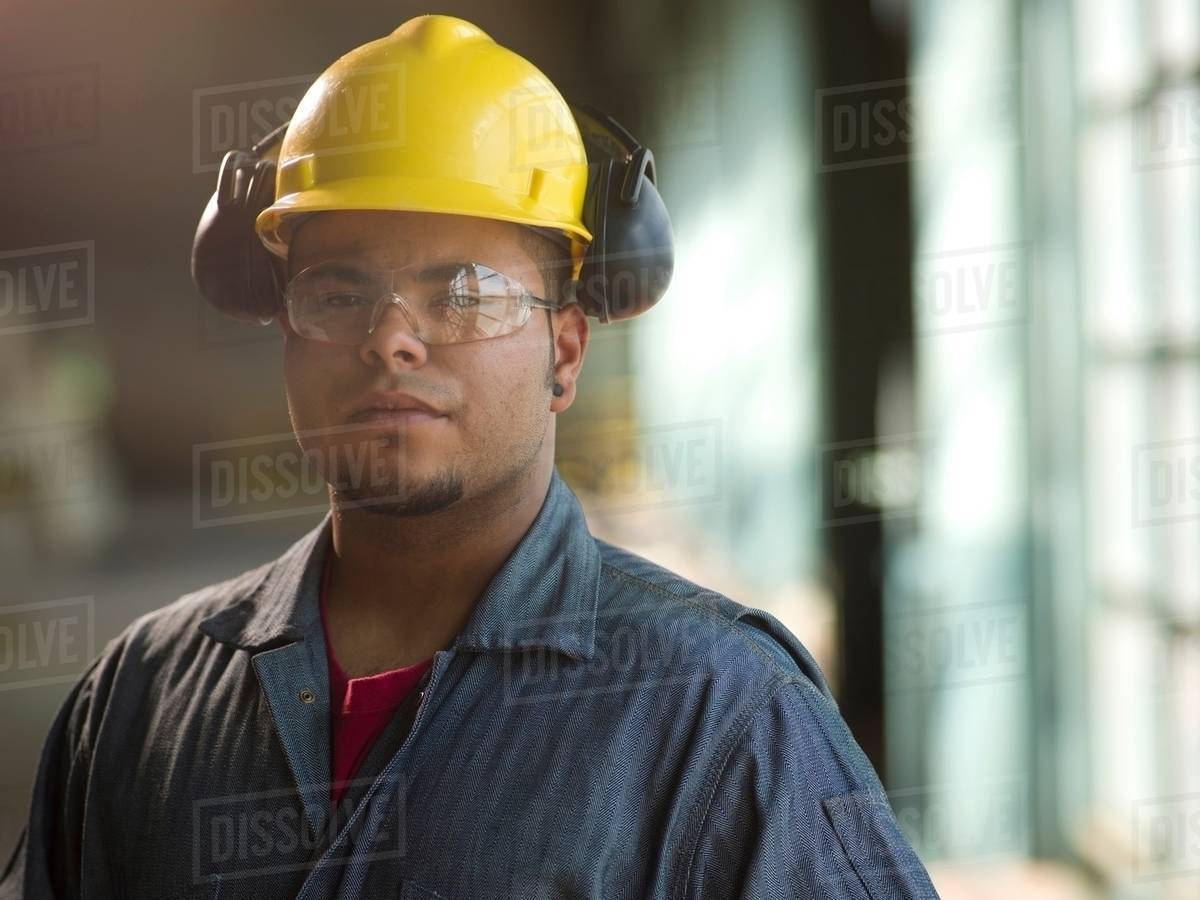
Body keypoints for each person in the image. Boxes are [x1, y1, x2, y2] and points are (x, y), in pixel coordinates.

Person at [1, 14, 940, 899]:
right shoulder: (136, 703)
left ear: (564, 353)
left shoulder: (722, 716)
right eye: (336, 292)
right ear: (284, 329)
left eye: (464, 292)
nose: (391, 340)